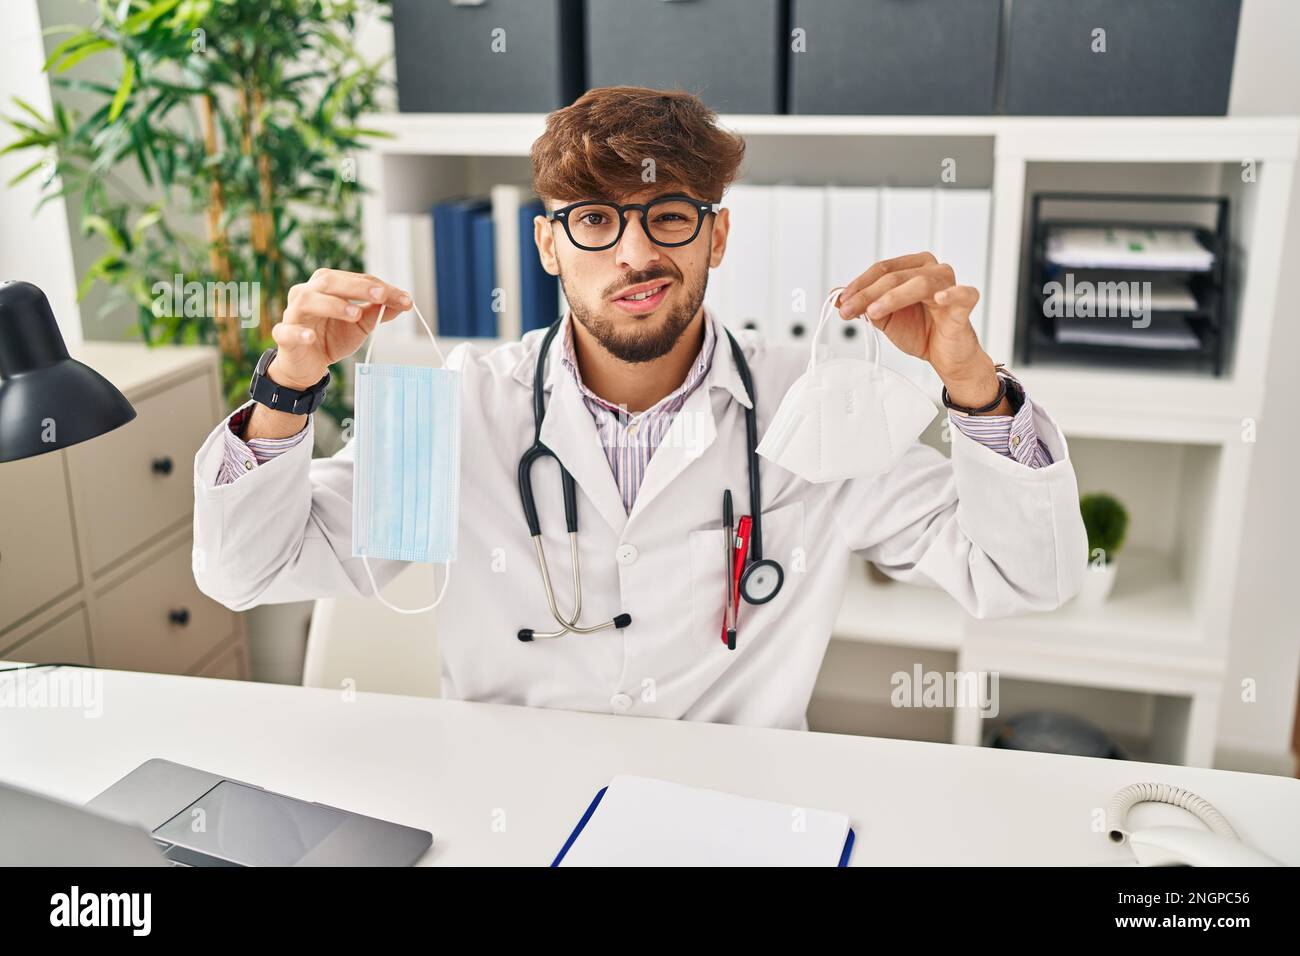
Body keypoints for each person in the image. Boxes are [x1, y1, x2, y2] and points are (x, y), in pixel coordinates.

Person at [192, 86, 1084, 729]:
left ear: (717, 235)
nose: (631, 255)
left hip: (742, 812)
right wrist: (286, 391)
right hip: (520, 804)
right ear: (548, 245)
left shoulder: (815, 409)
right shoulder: (459, 404)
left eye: (668, 216)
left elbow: (1026, 578)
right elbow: (250, 573)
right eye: (593, 220)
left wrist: (972, 386)